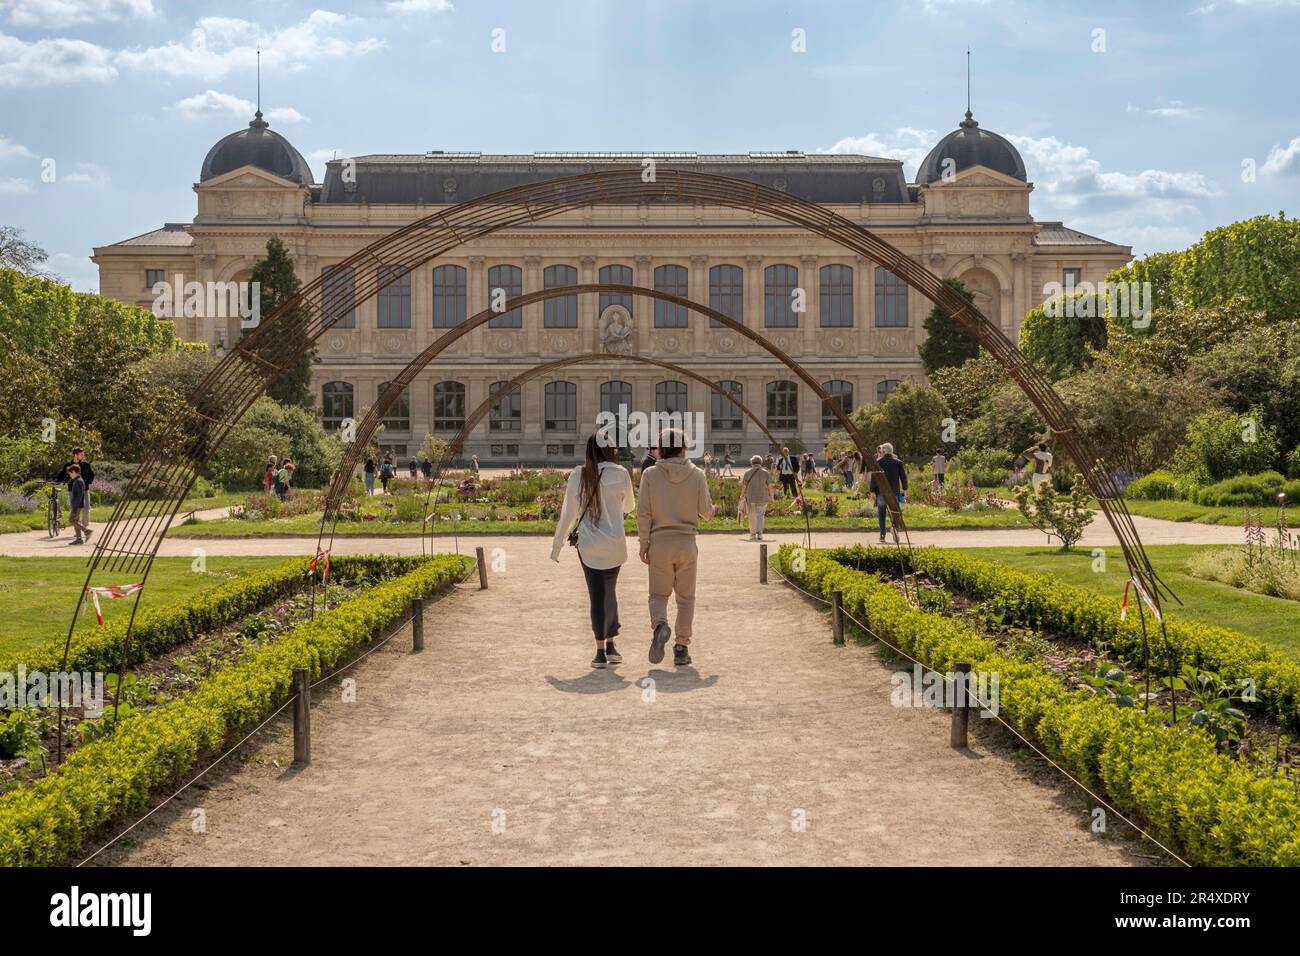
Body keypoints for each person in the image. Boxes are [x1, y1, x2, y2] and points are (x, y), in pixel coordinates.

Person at [552, 435, 637, 669]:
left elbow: (568, 513)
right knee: (610, 591)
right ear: (609, 450)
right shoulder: (621, 473)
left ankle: (600, 652)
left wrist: (557, 545)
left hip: (589, 544)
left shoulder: (579, 474)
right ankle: (611, 645)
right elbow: (630, 507)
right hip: (614, 544)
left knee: (596, 594)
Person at [637, 428, 714, 667]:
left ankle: (660, 625)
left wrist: (643, 544)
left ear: (660, 449)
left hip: (660, 542)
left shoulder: (650, 474)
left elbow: (643, 514)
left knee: (658, 595)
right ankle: (681, 648)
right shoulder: (697, 474)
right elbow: (707, 513)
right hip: (686, 542)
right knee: (686, 598)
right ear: (683, 448)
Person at [872, 442, 908, 544]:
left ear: (883, 451)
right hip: (894, 492)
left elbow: (874, 478)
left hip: (881, 492)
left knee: (882, 513)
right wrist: (905, 489)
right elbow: (903, 477)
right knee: (895, 513)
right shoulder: (898, 462)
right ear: (891, 451)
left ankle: (882, 535)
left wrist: (872, 491)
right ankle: (894, 528)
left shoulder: (878, 462)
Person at [58, 447, 95, 540]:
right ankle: (81, 531)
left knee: (86, 509)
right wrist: (57, 481)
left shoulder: (86, 465)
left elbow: (92, 475)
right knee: (75, 509)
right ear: (75, 455)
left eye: (83, 454)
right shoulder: (68, 465)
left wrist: (87, 483)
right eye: (81, 454)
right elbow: (62, 475)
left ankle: (85, 528)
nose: (83, 456)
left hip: (85, 490)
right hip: (72, 490)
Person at [739, 454, 774, 541]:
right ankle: (759, 534)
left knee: (752, 517)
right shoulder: (766, 472)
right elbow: (770, 486)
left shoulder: (747, 473)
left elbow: (744, 486)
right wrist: (772, 497)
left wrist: (742, 496)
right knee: (760, 516)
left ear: (752, 463)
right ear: (760, 462)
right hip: (763, 497)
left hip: (751, 498)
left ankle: (752, 535)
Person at [67, 464, 88, 545]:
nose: (70, 475)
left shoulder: (78, 481)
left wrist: (75, 508)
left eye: (70, 473)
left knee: (71, 520)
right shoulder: (78, 480)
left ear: (74, 472)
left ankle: (87, 531)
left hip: (77, 506)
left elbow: (79, 496)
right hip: (77, 505)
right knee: (76, 521)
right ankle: (79, 539)